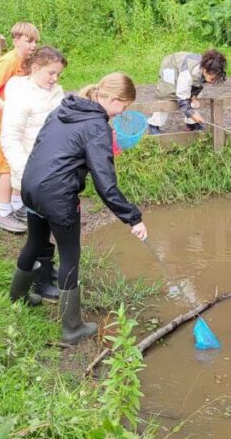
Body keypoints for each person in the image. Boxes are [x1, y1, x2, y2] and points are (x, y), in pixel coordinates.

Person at [11, 73, 148, 345]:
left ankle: (17, 299)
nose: (123, 113)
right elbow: (105, 183)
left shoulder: (66, 106)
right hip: (58, 195)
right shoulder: (96, 126)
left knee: (35, 241)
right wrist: (133, 218)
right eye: (124, 106)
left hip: (32, 186)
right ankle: (72, 328)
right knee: (70, 255)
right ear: (110, 99)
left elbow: (41, 146)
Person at [0, 46, 67, 301]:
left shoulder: (55, 92)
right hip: (33, 176)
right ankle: (38, 285)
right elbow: (10, 138)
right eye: (51, 73)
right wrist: (28, 172)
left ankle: (47, 272)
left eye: (58, 74)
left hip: (52, 173)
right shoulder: (21, 97)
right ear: (35, 68)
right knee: (38, 233)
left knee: (45, 228)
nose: (55, 79)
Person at [0, 21, 39, 232]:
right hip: (0, 126)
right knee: (6, 170)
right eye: (28, 41)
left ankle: (17, 206)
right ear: (16, 40)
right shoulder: (9, 61)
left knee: (19, 165)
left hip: (17, 125)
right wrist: (5, 107)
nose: (33, 45)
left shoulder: (26, 62)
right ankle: (3, 213)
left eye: (35, 41)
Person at [147, 49, 227, 134]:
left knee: (195, 99)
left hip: (186, 69)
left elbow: (197, 85)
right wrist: (192, 115)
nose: (213, 81)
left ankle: (191, 124)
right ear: (204, 70)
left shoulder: (207, 68)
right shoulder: (187, 74)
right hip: (171, 66)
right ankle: (154, 124)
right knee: (167, 95)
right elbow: (182, 98)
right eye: (212, 79)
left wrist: (194, 96)